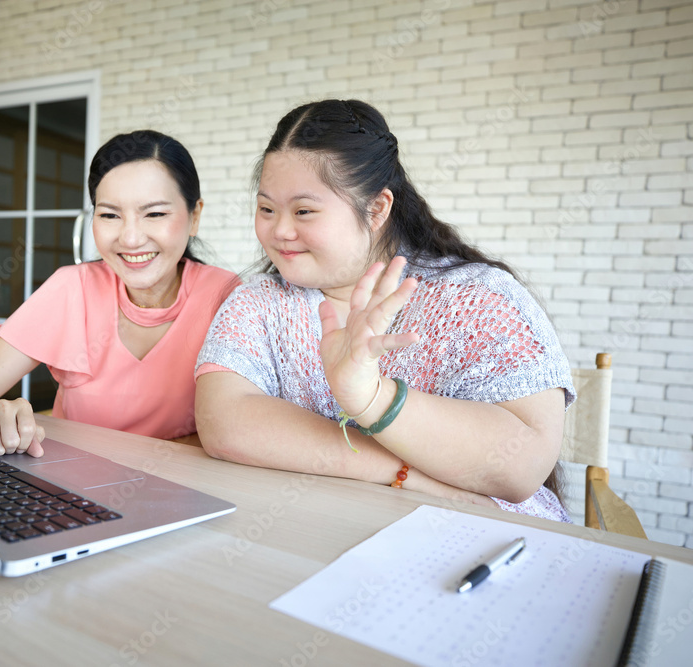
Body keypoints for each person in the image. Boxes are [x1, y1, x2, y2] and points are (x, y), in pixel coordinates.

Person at [195, 99, 575, 521]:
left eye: (304, 211)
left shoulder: (479, 299)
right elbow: (224, 422)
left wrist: (375, 398)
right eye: (267, 209)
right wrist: (403, 474)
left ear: (377, 208)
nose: (280, 230)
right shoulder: (259, 301)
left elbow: (522, 463)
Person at [0, 130, 238, 457]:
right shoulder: (72, 289)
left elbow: (242, 428)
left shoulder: (227, 297)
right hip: (73, 491)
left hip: (190, 488)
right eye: (110, 214)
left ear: (194, 216)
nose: (130, 238)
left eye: (154, 214)